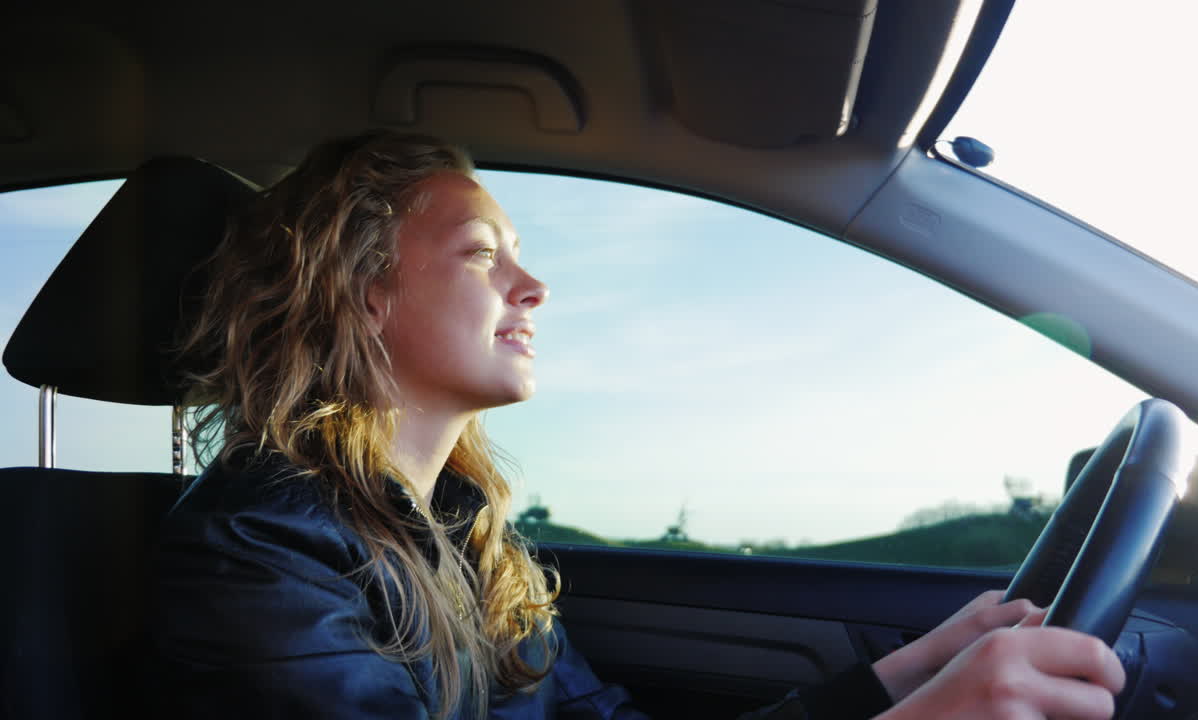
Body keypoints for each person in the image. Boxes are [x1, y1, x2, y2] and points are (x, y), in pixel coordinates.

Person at [148, 130, 1125, 719]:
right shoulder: (255, 548)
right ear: (360, 294)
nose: (532, 287)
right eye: (482, 254)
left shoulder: (466, 532)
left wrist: (898, 678)